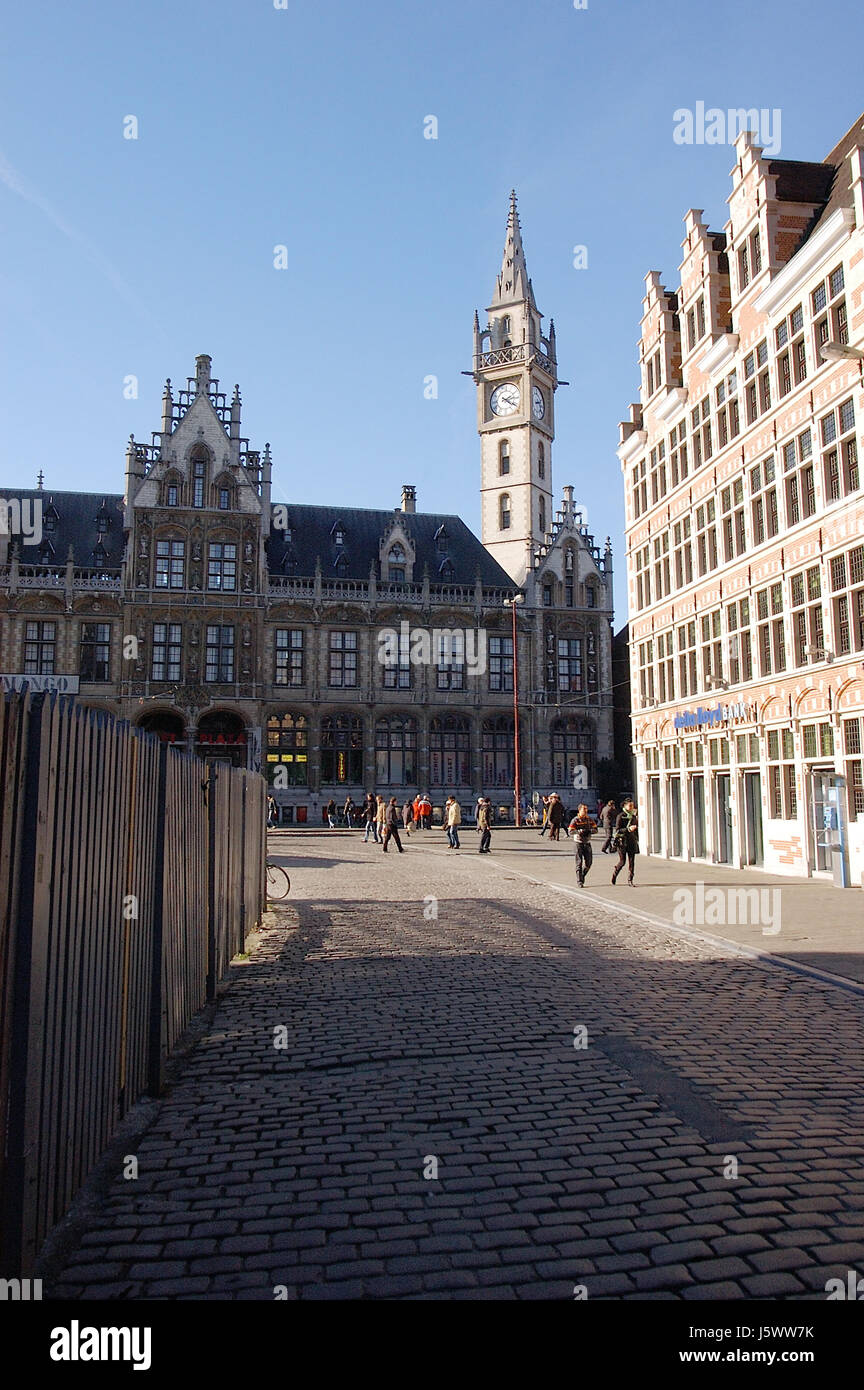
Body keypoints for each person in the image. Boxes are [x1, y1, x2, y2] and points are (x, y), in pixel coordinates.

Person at [611, 799, 639, 885]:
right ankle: (615, 874)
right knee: (622, 862)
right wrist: (628, 829)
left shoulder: (633, 817)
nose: (632, 808)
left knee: (632, 861)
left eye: (632, 806)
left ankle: (630, 879)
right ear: (625, 806)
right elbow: (618, 830)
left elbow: (636, 830)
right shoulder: (621, 816)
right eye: (630, 806)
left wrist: (637, 838)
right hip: (622, 841)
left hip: (631, 841)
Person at [568, 803, 597, 886]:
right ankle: (579, 881)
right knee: (579, 862)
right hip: (578, 843)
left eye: (586, 809)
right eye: (584, 809)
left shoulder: (589, 819)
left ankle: (582, 875)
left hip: (587, 843)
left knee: (589, 863)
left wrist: (590, 831)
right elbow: (570, 831)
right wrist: (579, 831)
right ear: (579, 810)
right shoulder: (575, 820)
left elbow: (595, 829)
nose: (586, 811)